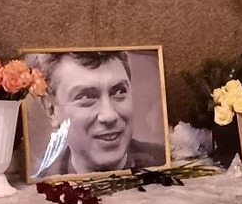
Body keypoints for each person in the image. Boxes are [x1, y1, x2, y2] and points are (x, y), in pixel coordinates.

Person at [27, 51, 166, 176]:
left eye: (119, 92)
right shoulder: (39, 184)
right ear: (51, 110)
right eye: (85, 97)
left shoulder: (164, 163)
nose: (109, 115)